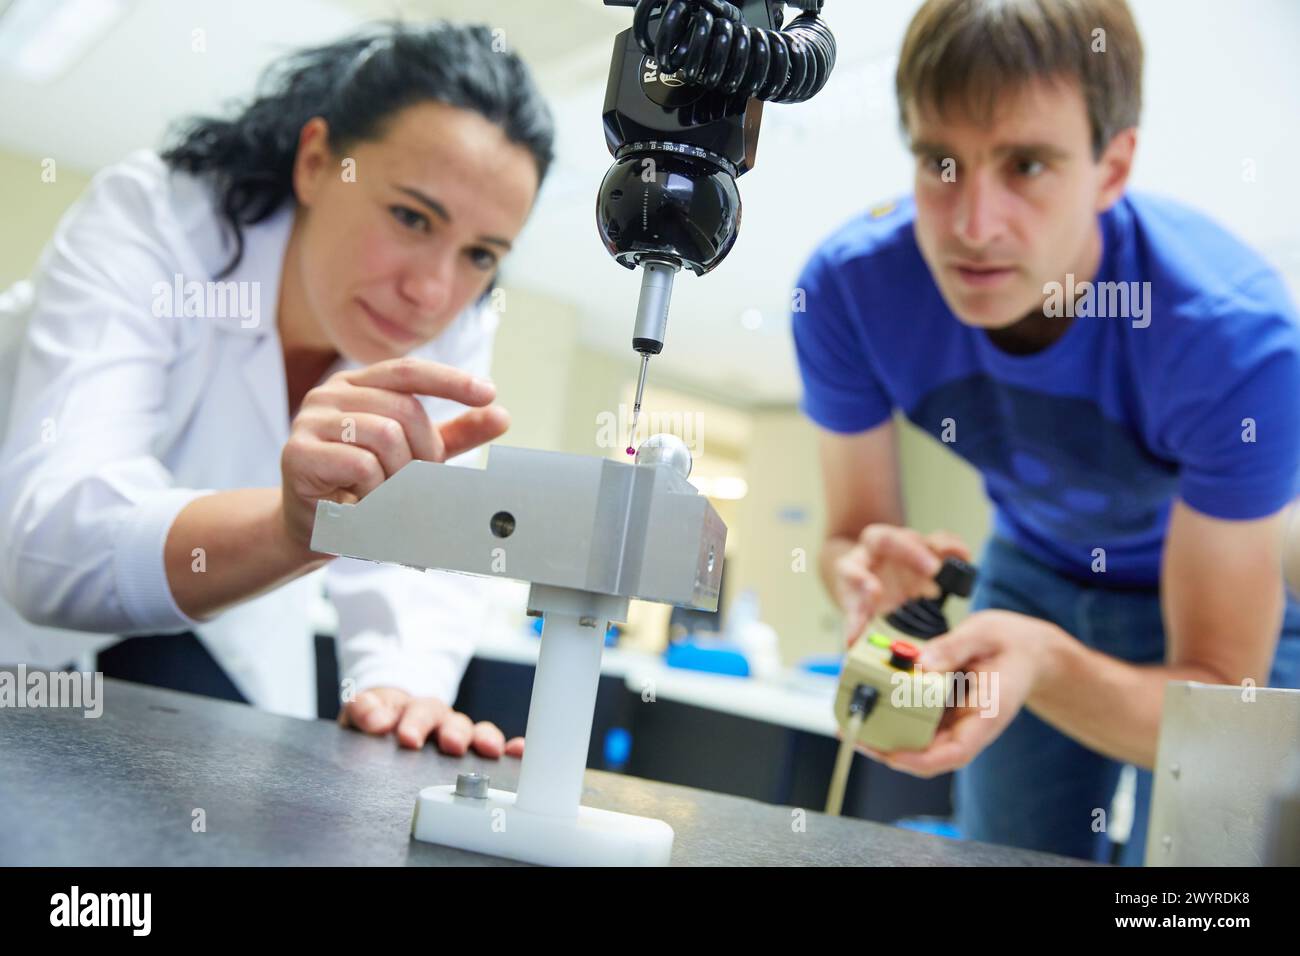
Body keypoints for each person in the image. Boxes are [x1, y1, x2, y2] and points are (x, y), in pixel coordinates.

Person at [792, 0, 1300, 863]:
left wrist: (1054, 666)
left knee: (1203, 881)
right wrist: (864, 573)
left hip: (1224, 602)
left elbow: (1217, 689)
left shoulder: (1235, 341)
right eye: (940, 162)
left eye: (1027, 164)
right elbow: (854, 535)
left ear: (1111, 168)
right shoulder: (848, 293)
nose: (973, 226)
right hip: (1028, 573)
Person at [0, 21, 554, 758]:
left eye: (481, 253)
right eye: (411, 216)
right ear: (319, 162)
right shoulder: (158, 218)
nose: (431, 290)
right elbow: (52, 542)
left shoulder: (452, 314)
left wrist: (400, 689)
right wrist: (295, 529)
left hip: (223, 603)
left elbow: (421, 545)